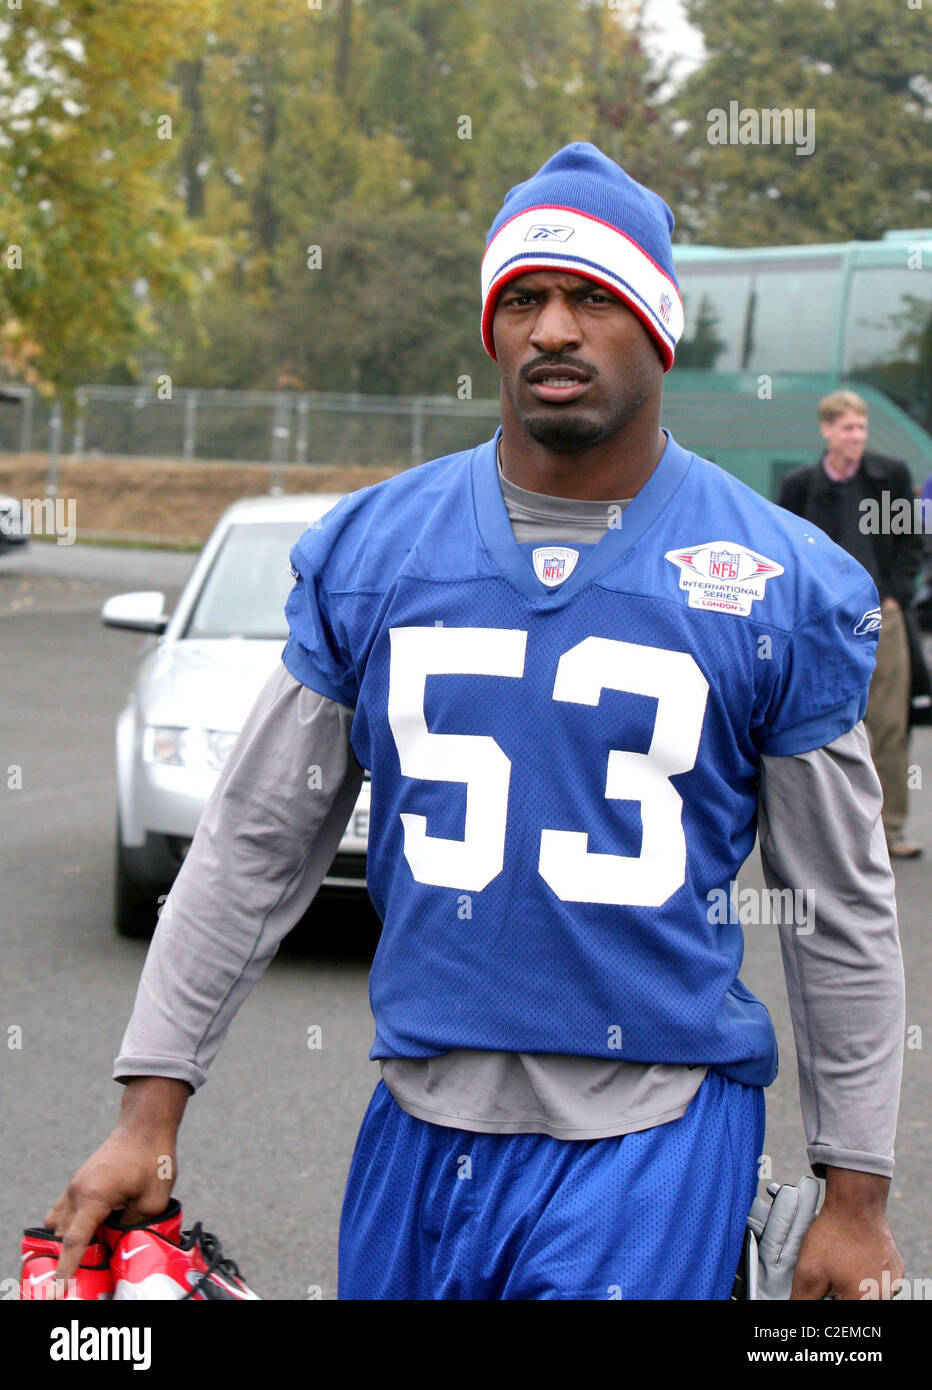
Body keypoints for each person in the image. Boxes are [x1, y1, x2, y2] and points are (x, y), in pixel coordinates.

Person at [46, 144, 905, 1301]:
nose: (554, 327)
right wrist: (147, 1111)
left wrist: (853, 1198)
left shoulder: (774, 581)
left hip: (652, 1138)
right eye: (524, 299)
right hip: (417, 1125)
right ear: (491, 331)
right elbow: (249, 846)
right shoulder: (375, 552)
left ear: (656, 324)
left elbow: (840, 913)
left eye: (591, 296)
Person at [778, 393, 924, 858]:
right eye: (847, 428)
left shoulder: (890, 477)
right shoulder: (801, 486)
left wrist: (897, 595)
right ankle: (821, 832)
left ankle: (891, 829)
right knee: (818, 722)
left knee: (888, 724)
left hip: (884, 615)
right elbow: (788, 552)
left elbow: (910, 541)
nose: (857, 437)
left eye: (861, 428)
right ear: (827, 432)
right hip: (823, 623)